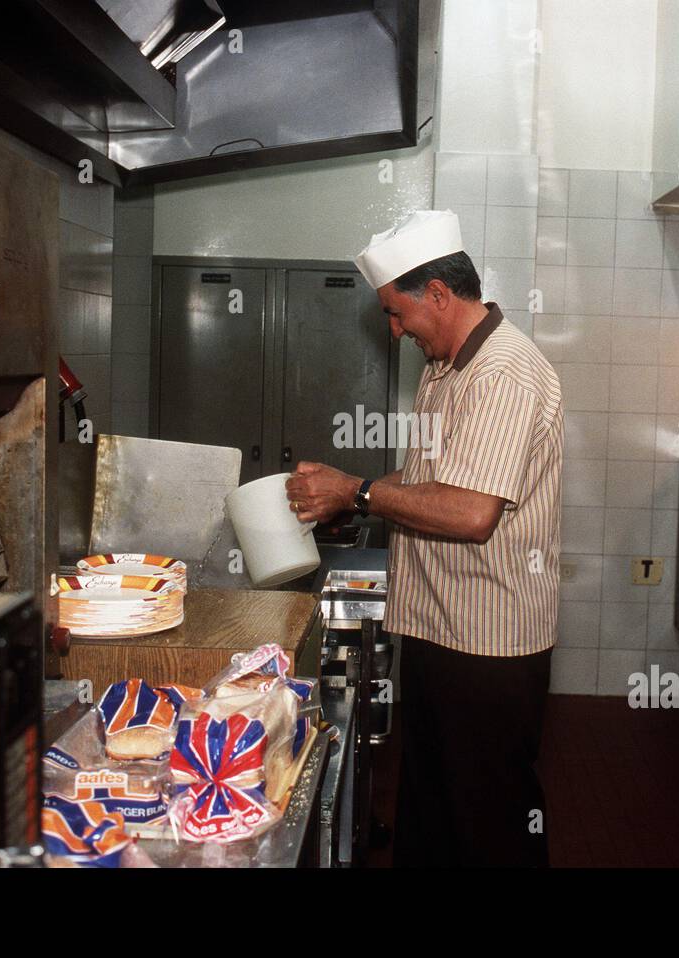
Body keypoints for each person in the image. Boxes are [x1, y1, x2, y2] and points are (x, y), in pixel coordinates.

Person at [285, 210, 563, 866]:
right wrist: (356, 505)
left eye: (396, 312)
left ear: (438, 294)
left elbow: (471, 513)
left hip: (488, 645)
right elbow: (429, 483)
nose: (394, 329)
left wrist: (356, 490)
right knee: (434, 810)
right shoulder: (447, 367)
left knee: (488, 819)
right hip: (440, 626)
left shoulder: (503, 372)